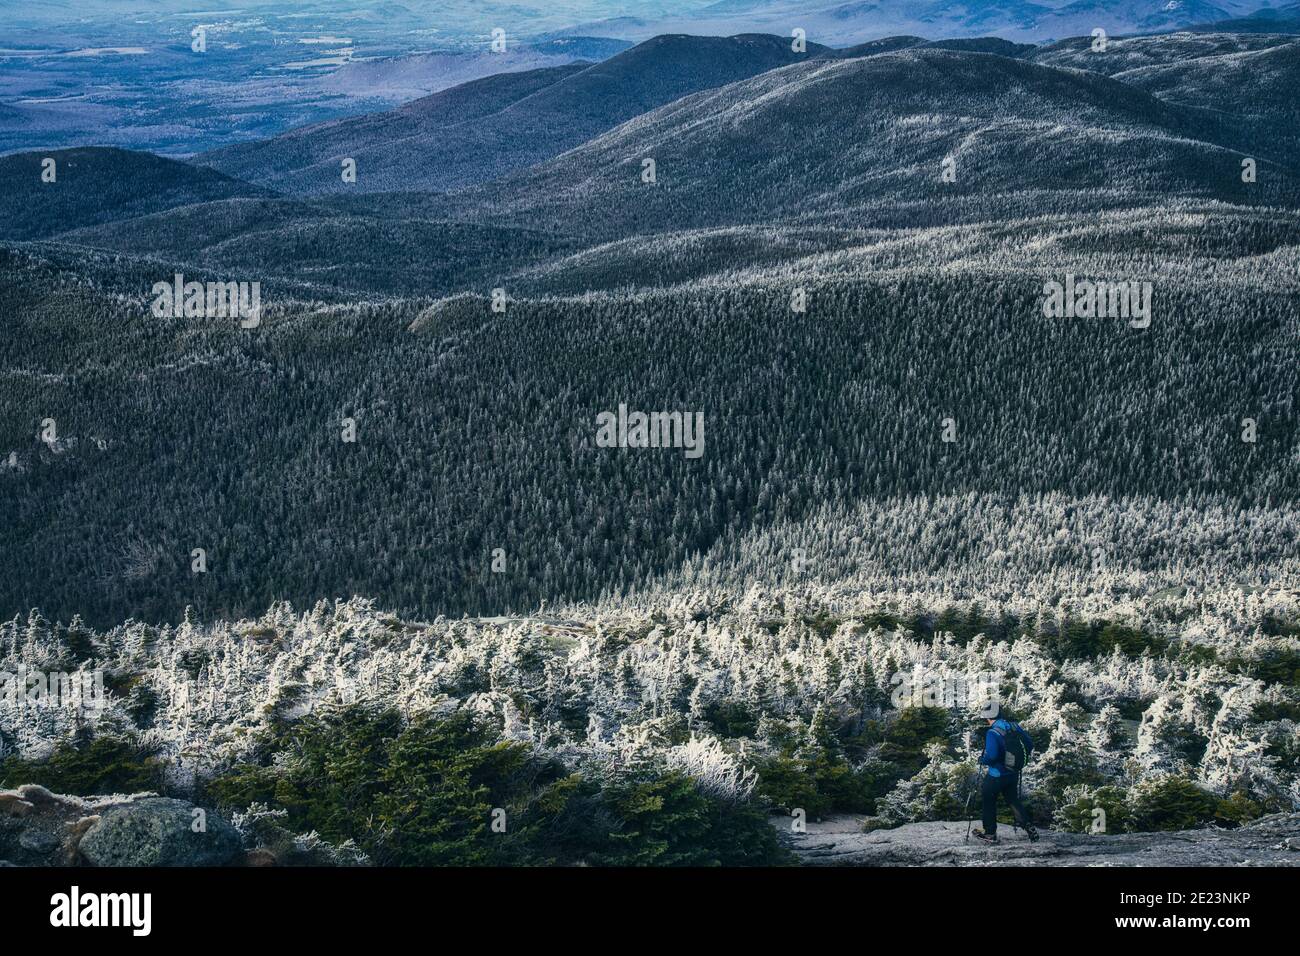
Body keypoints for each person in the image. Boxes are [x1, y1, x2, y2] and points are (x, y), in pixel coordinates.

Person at [971, 703, 1038, 844]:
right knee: (1013, 800)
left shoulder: (992, 732)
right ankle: (1028, 826)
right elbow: (1030, 744)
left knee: (988, 800)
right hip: (1013, 773)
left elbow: (992, 756)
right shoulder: (1014, 726)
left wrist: (982, 759)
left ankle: (990, 834)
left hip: (997, 774)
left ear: (987, 717)